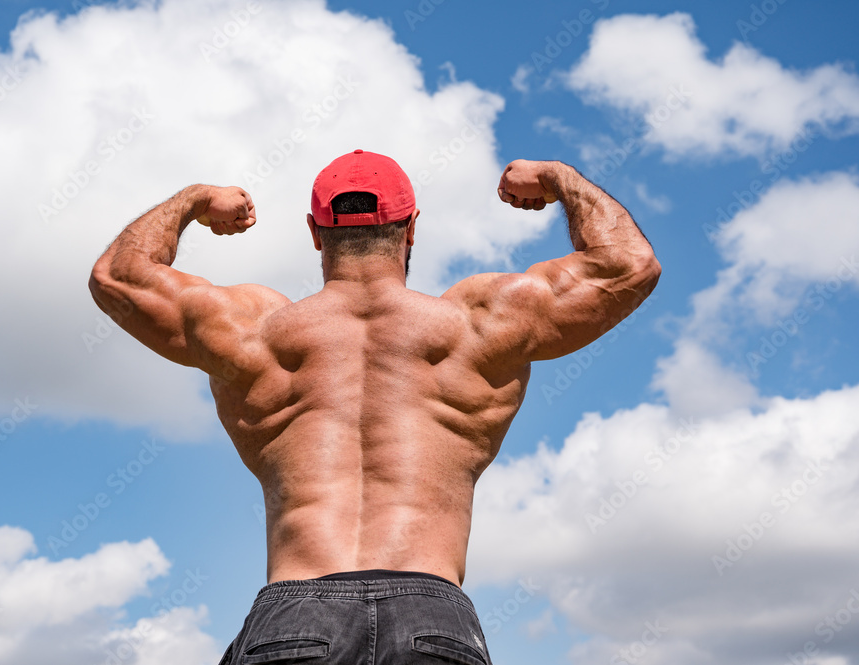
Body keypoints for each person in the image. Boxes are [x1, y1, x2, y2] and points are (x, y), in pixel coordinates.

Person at [89, 149, 661, 664]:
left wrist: (192, 201)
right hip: (431, 618)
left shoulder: (251, 331)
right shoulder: (482, 323)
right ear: (411, 229)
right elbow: (628, 265)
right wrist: (559, 179)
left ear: (316, 233)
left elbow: (118, 276)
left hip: (296, 616)